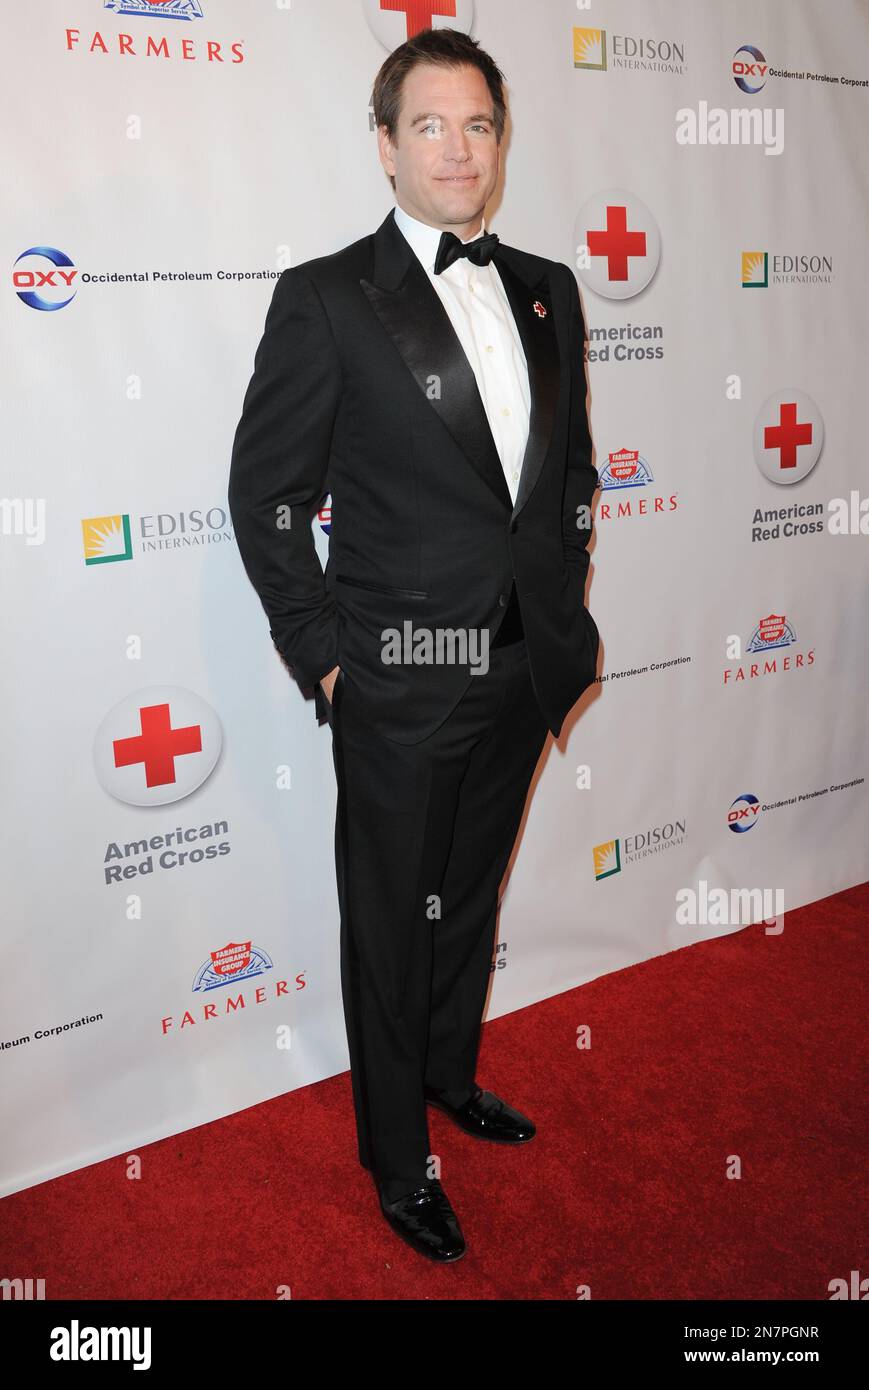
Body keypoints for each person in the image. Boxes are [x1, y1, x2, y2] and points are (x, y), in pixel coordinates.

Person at [227, 26, 600, 1263]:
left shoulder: (546, 281)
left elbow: (567, 478)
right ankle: (397, 1160)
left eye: (478, 124)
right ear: (384, 147)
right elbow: (266, 498)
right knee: (391, 923)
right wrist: (328, 659)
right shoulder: (329, 296)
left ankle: (449, 1077)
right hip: (398, 678)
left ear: (501, 144)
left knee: (469, 898)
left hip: (520, 668)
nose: (458, 147)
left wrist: (560, 609)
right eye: (429, 125)